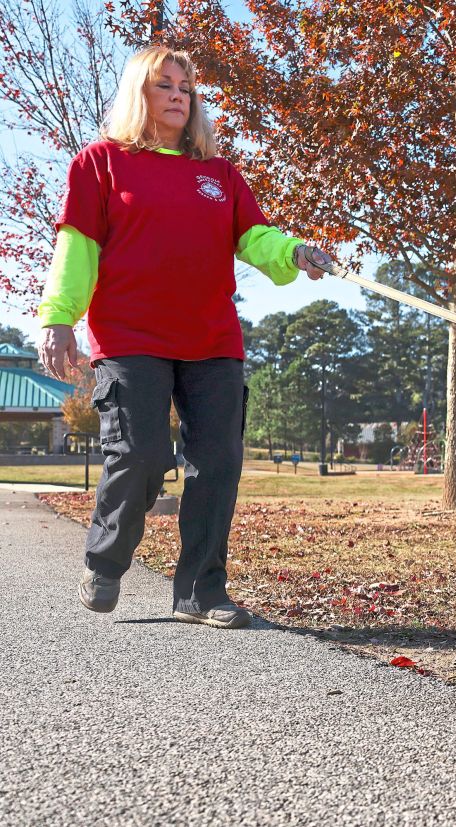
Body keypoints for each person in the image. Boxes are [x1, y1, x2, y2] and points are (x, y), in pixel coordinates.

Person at [37, 46, 332, 629]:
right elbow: (77, 249)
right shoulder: (101, 163)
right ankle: (107, 557)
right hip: (130, 334)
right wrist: (59, 317)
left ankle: (201, 591)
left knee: (216, 462)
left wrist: (293, 251)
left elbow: (255, 238)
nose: (178, 95)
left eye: (186, 87)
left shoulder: (218, 174)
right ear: (138, 94)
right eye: (163, 84)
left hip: (211, 337)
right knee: (141, 454)